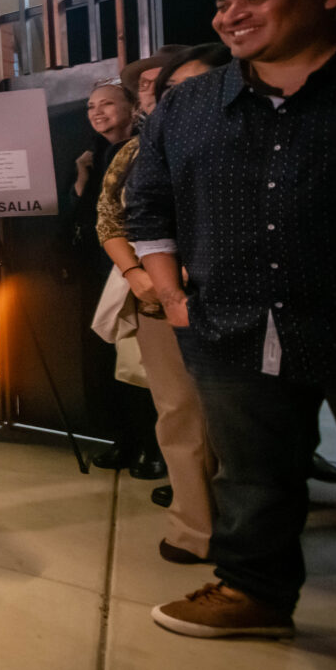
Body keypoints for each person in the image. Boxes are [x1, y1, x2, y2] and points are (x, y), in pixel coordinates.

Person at [128, 0, 336, 639]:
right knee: (252, 472)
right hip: (230, 319)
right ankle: (255, 593)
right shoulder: (189, 104)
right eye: (222, 5)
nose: (232, 16)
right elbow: (148, 205)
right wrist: (172, 295)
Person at [95, 44, 229, 564]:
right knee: (178, 414)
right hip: (158, 302)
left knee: (246, 418)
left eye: (167, 83)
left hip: (243, 297)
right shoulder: (136, 150)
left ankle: (252, 530)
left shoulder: (245, 133)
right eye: (150, 84)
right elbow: (112, 218)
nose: (154, 91)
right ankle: (196, 529)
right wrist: (139, 275)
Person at [65, 79, 162, 477]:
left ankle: (154, 451)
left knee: (148, 369)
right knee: (117, 366)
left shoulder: (148, 147)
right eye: (91, 107)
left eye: (106, 104)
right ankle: (126, 441)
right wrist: (82, 177)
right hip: (104, 271)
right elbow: (88, 215)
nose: (97, 112)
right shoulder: (101, 154)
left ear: (132, 106)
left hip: (140, 271)